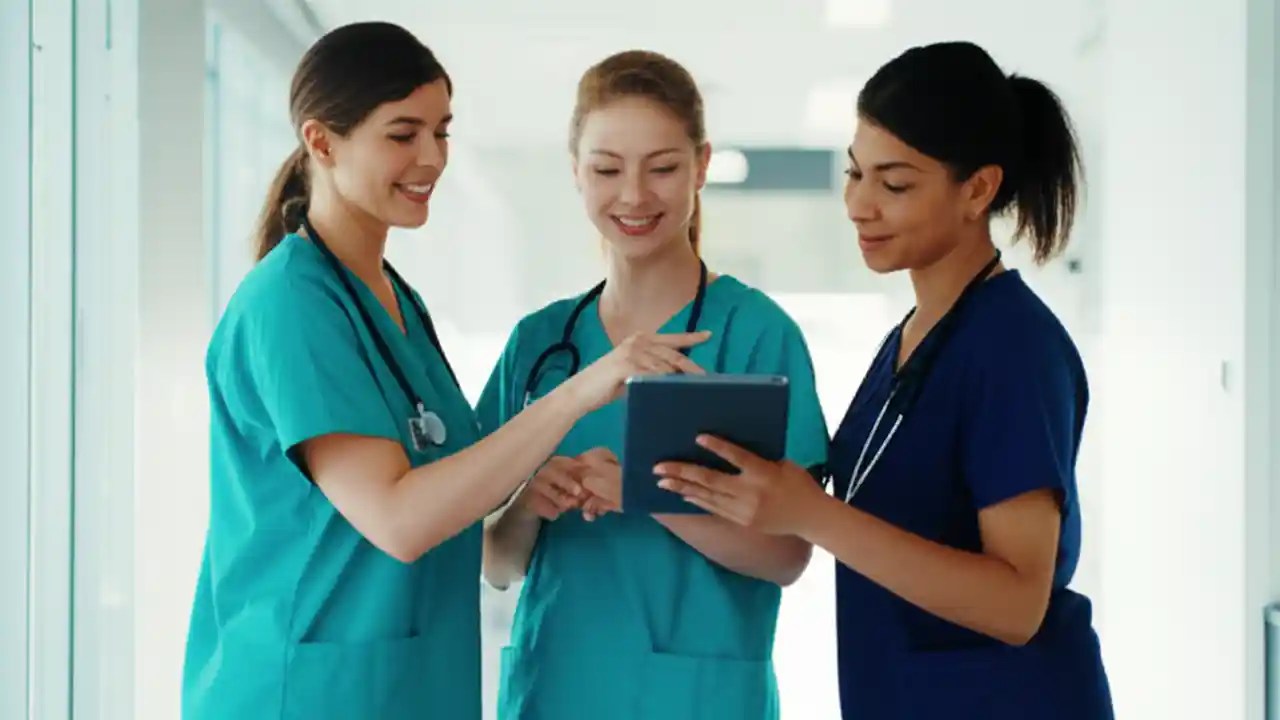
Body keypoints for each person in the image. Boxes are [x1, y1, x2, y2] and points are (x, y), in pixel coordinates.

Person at [181, 24, 708, 720]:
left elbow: (459, 525)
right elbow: (400, 520)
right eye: (403, 134)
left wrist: (524, 509)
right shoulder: (291, 305)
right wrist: (578, 394)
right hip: (306, 692)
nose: (432, 157)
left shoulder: (395, 301)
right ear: (322, 141)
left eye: (441, 131)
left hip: (406, 684)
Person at [657, 41, 1115, 719]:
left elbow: (1018, 602)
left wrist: (812, 514)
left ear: (979, 189)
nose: (859, 205)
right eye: (855, 173)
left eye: (894, 184)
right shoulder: (915, 335)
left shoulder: (1012, 346)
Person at [478, 50, 829, 720]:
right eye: (607, 168)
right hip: (554, 689)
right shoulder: (538, 344)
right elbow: (495, 562)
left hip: (700, 698)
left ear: (701, 165)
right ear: (575, 171)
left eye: (663, 167)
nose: (634, 195)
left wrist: (643, 493)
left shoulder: (754, 334)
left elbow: (787, 555)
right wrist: (527, 504)